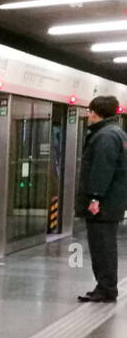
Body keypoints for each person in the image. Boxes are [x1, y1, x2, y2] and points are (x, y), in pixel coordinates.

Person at [76, 94, 127, 302]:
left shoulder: (105, 136)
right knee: (105, 245)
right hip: (113, 201)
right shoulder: (118, 133)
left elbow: (102, 169)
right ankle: (106, 286)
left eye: (90, 112)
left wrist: (95, 198)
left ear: (96, 113)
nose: (88, 115)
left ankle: (106, 289)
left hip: (104, 204)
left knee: (102, 247)